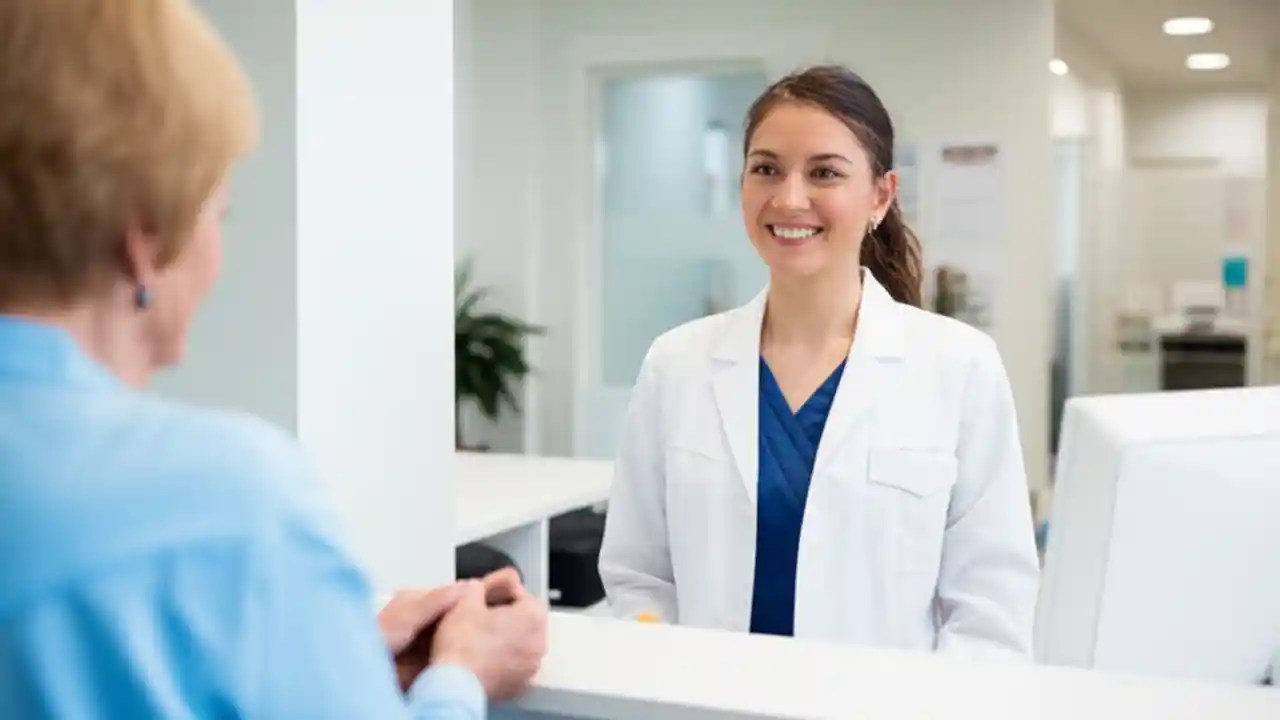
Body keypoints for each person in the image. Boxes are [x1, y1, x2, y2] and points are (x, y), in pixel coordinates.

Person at [0, 1, 545, 718]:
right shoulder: (225, 498)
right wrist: (461, 676)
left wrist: (331, 650)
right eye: (217, 215)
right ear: (144, 235)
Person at [598, 66, 1039, 659]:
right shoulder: (676, 364)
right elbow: (639, 576)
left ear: (881, 196)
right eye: (766, 169)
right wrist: (670, 679)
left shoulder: (959, 368)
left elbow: (990, 608)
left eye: (824, 172)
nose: (789, 197)